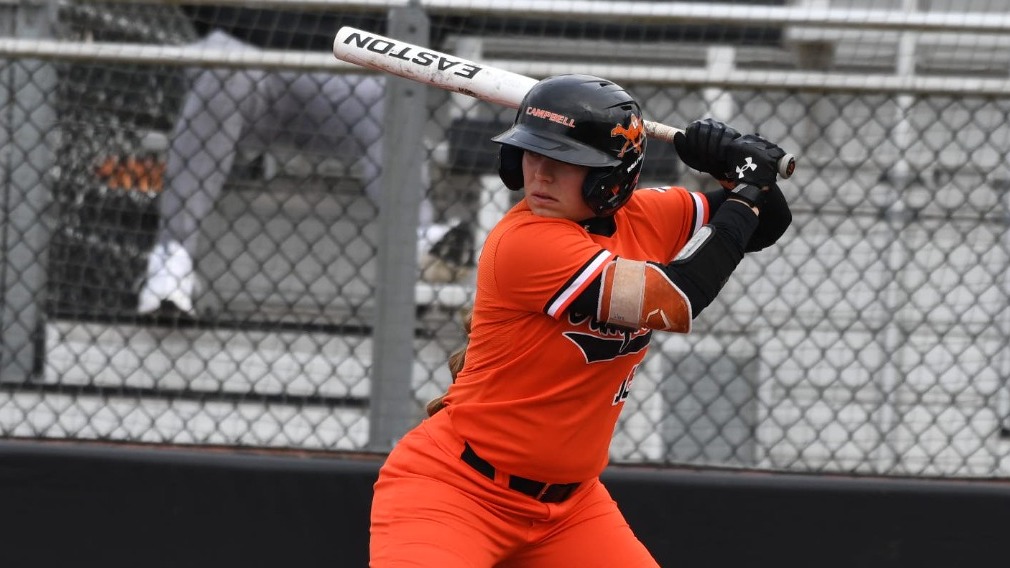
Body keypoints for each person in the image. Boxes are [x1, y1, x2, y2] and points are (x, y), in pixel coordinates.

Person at [368, 74, 793, 566]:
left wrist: (733, 174)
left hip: (570, 509)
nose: (541, 175)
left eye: (566, 161)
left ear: (613, 177)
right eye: (532, 153)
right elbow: (675, 298)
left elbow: (763, 225)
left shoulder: (649, 215)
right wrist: (747, 189)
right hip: (455, 492)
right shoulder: (524, 242)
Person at [137, 29, 457, 314]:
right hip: (244, 59)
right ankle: (172, 258)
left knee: (394, 95)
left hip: (347, 72)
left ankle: (417, 240)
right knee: (222, 59)